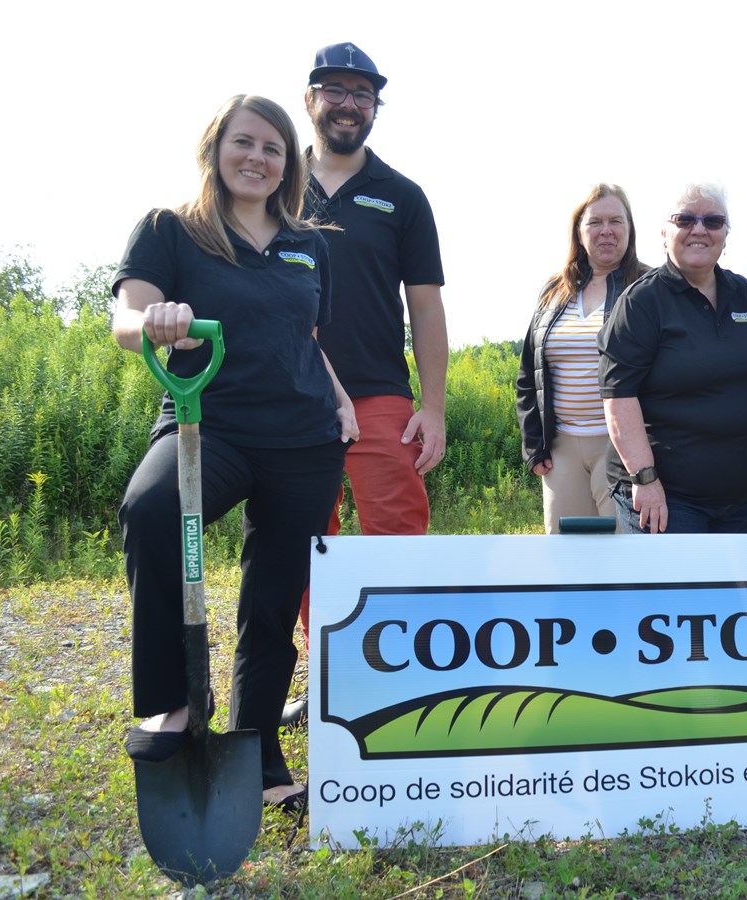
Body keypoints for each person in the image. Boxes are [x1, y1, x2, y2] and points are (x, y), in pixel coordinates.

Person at [113, 94, 358, 810]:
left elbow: (306, 338)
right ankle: (172, 703)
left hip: (304, 437)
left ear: (289, 163)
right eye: (244, 143)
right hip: (205, 425)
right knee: (152, 510)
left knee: (273, 600)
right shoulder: (172, 229)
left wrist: (340, 398)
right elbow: (125, 314)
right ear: (216, 149)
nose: (257, 158)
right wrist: (153, 322)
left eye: (273, 149)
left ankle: (259, 761)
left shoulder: (309, 243)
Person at [286, 43, 448, 720]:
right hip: (287, 392)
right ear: (309, 99)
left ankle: (399, 676)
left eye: (363, 93)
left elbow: (427, 305)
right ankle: (329, 674)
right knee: (301, 536)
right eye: (335, 90)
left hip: (380, 391)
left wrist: (433, 407)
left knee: (395, 533)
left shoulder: (401, 196)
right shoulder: (271, 179)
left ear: (375, 107)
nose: (349, 104)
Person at [600, 182, 747, 534]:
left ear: (726, 233)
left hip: (741, 497)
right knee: (679, 590)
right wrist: (645, 479)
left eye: (712, 220)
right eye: (685, 219)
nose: (699, 229)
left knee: (734, 591)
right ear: (664, 233)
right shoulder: (641, 303)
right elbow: (619, 398)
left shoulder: (745, 295)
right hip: (667, 497)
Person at [517, 184, 650, 533]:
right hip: (561, 450)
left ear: (630, 229)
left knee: (626, 556)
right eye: (595, 222)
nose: (606, 230)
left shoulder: (650, 285)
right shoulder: (554, 289)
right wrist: (534, 445)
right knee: (566, 557)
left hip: (623, 449)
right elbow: (528, 374)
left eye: (616, 221)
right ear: (579, 230)